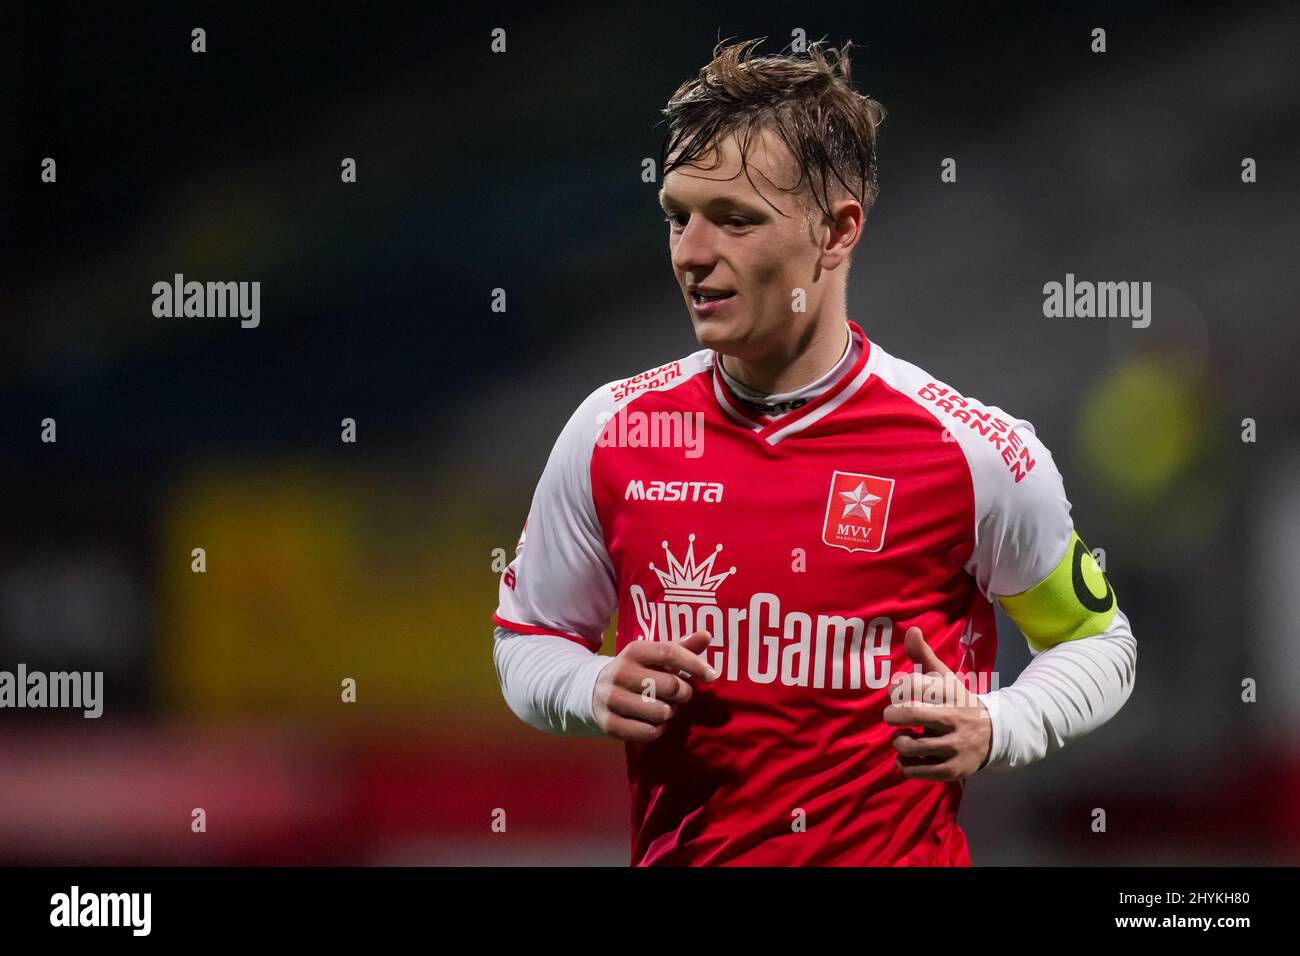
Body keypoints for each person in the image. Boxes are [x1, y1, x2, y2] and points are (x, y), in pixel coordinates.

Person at [491, 37, 1136, 865]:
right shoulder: (613, 432)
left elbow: (1097, 642)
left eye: (735, 219)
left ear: (836, 232)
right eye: (678, 216)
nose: (690, 253)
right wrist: (587, 684)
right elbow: (528, 638)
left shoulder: (972, 453)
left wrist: (1001, 723)